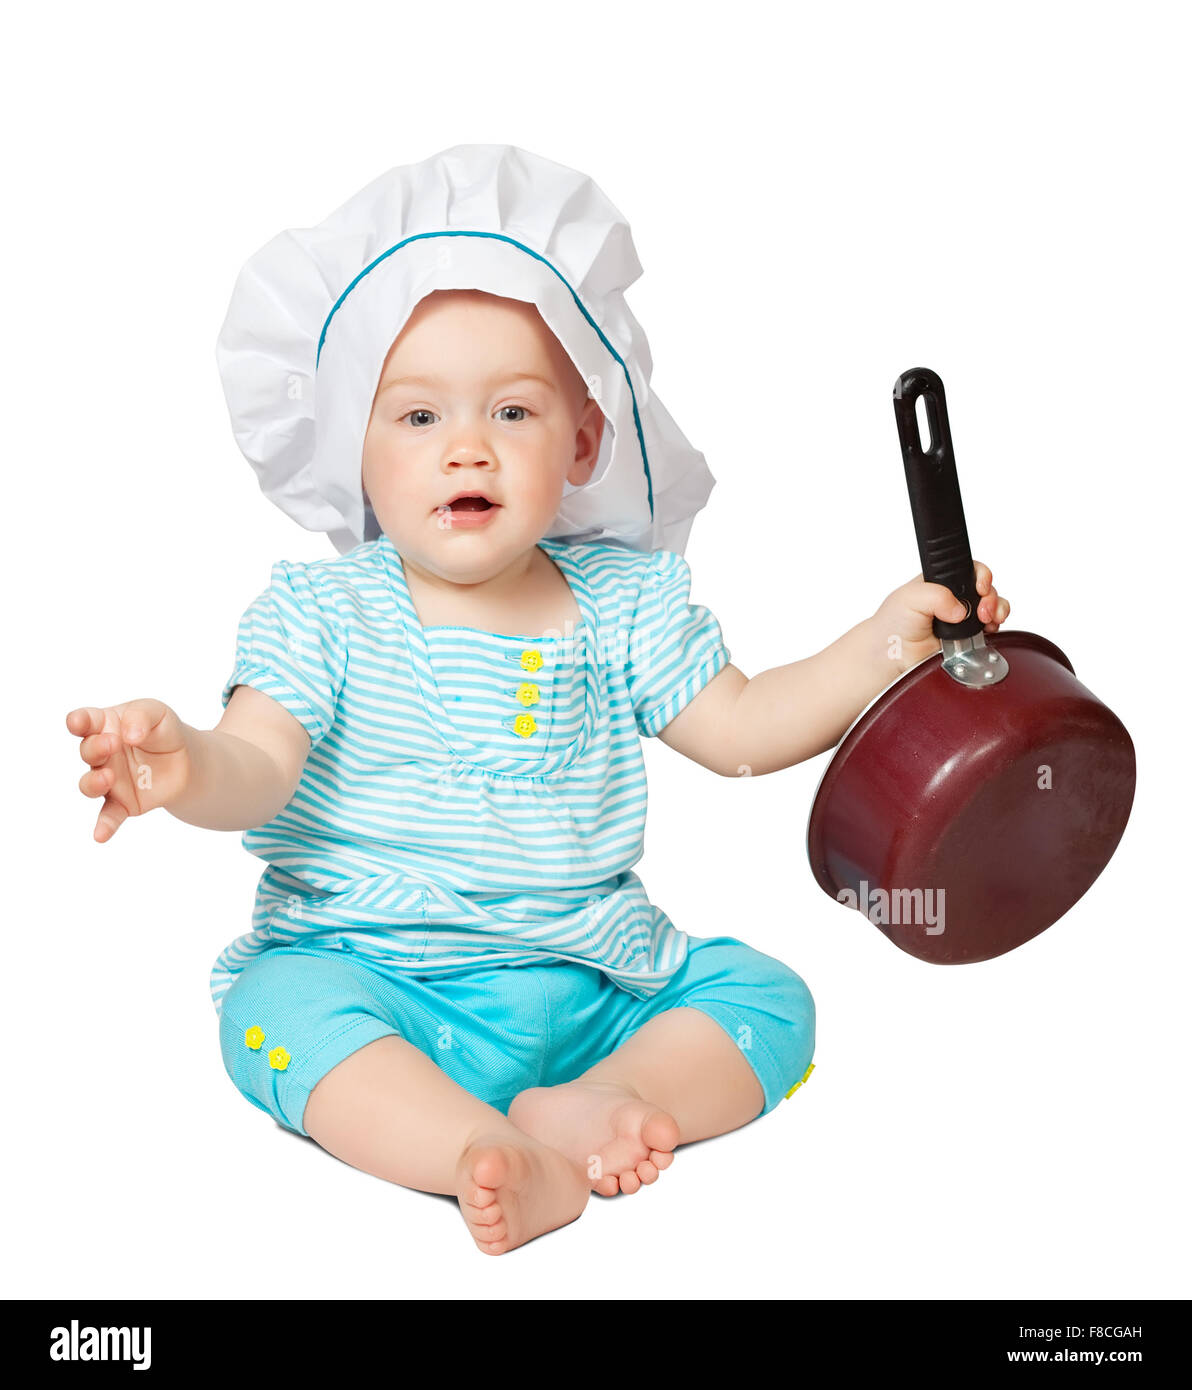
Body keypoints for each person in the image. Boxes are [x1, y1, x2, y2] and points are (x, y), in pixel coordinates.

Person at [66, 146, 1009, 1255]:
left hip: (596, 988)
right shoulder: (319, 612)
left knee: (769, 998)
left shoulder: (623, 603)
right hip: (378, 984)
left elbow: (746, 730)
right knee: (271, 1015)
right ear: (353, 450)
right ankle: (471, 1147)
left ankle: (592, 1097)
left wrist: (879, 644)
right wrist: (184, 765)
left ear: (582, 440)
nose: (465, 443)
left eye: (511, 411)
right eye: (416, 418)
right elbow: (258, 762)